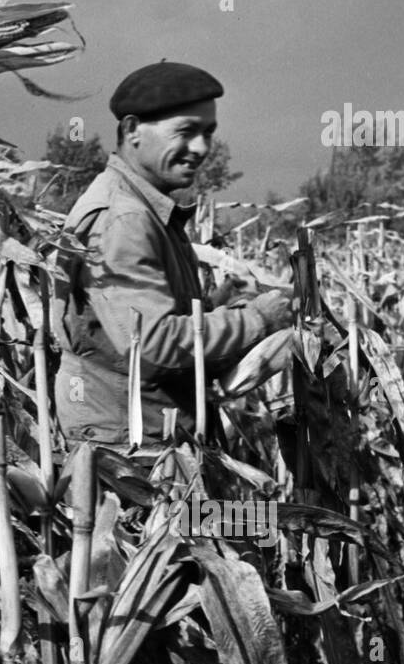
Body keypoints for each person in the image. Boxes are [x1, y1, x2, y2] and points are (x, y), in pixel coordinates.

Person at [53, 60, 294, 452]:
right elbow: (152, 344)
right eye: (185, 132)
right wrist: (259, 319)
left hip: (150, 434)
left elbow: (152, 325)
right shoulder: (125, 218)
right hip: (132, 449)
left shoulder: (149, 210)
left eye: (207, 133)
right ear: (132, 130)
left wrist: (224, 304)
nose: (201, 148)